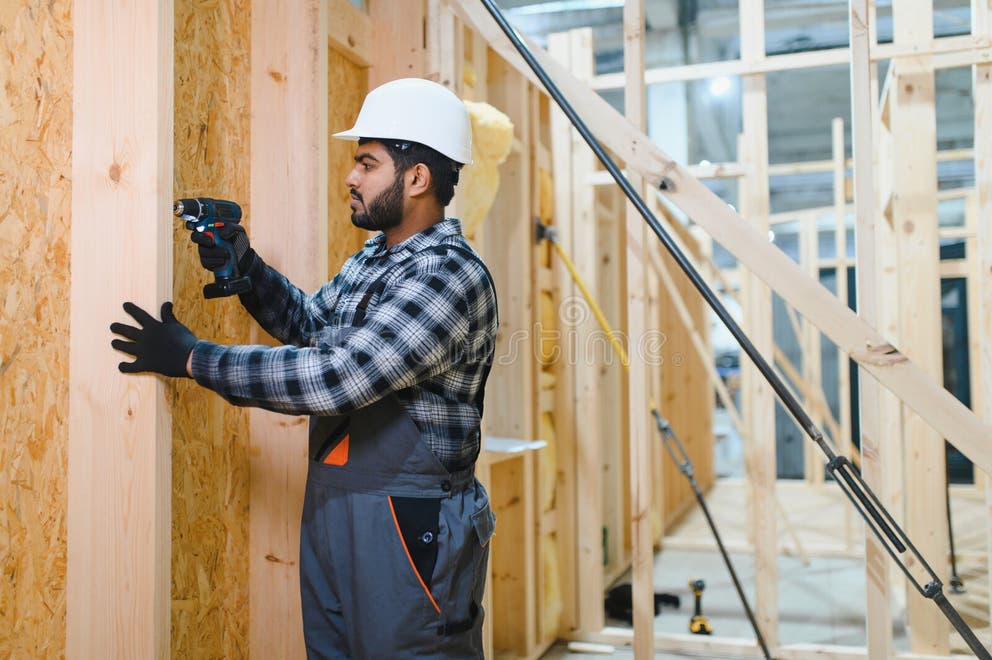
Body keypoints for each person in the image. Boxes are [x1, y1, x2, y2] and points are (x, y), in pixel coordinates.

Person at [110, 78, 499, 659]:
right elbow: (311, 325)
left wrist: (194, 358)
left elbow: (335, 379)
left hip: (411, 525)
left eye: (367, 164)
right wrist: (243, 263)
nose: (351, 177)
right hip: (337, 507)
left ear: (416, 178)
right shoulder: (377, 257)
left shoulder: (449, 276)